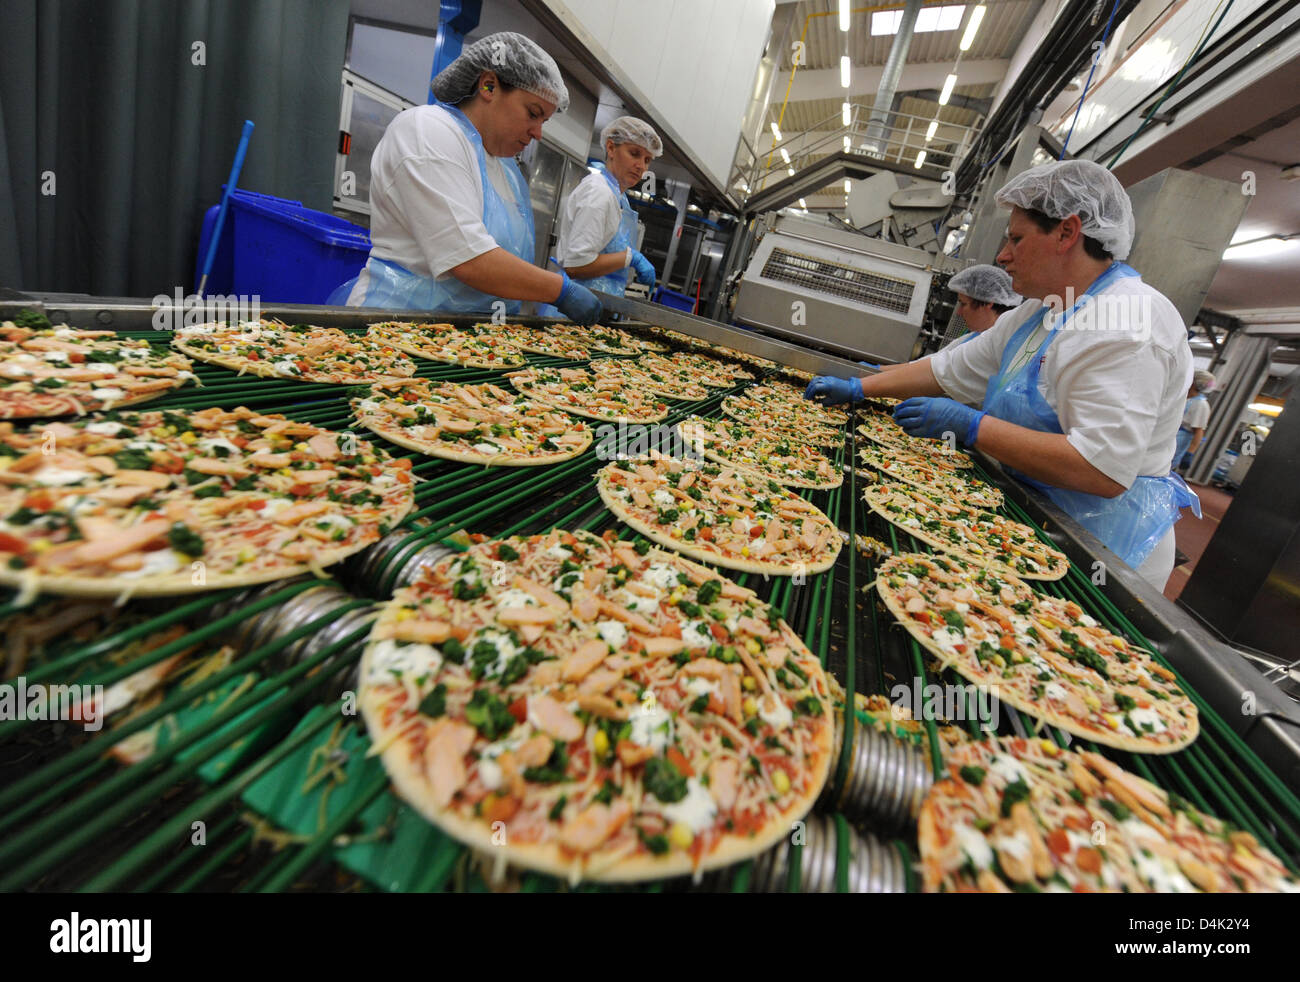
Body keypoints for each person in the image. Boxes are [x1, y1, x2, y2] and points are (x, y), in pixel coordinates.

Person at [804, 159, 1198, 590]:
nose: (1002, 256)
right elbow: (950, 368)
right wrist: (860, 386)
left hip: (1104, 546)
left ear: (1067, 233)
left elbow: (1099, 470)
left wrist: (972, 426)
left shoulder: (1128, 322)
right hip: (1037, 511)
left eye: (1016, 238)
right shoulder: (1040, 310)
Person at [329, 32, 602, 325]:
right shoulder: (429, 131)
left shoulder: (506, 169)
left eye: (543, 121)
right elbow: (469, 259)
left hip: (468, 340)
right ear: (488, 86)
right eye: (532, 114)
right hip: (398, 328)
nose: (538, 133)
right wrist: (560, 290)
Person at [542, 116, 661, 315]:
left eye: (647, 160)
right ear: (611, 148)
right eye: (634, 154)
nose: (641, 166)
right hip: (573, 312)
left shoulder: (617, 196)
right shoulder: (599, 192)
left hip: (593, 308)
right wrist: (630, 258)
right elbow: (576, 265)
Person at [872, 264, 1020, 372]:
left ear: (988, 303)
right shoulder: (972, 338)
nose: (959, 313)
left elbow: (933, 372)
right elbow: (928, 364)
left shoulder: (1002, 347)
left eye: (963, 304)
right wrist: (875, 371)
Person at [1173, 370, 1215, 470]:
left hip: (1179, 441)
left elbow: (1199, 431)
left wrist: (1190, 452)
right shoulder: (1184, 397)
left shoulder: (1201, 405)